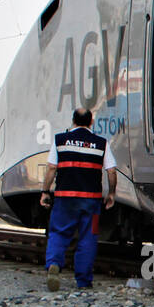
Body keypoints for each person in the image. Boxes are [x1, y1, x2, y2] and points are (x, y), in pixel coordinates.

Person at [39, 108, 116, 290]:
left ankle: (54, 264)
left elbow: (51, 168)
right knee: (89, 237)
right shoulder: (101, 143)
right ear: (91, 123)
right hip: (92, 201)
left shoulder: (60, 140)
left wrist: (45, 191)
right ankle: (83, 281)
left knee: (58, 232)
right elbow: (111, 171)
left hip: (65, 199)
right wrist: (111, 193)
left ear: (73, 121)